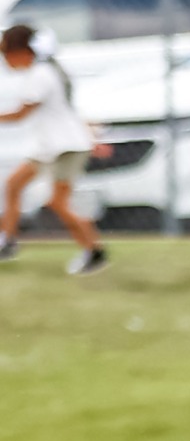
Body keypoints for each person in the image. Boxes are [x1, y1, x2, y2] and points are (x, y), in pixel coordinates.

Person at [0, 24, 107, 274]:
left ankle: (94, 251)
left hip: (66, 147)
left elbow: (20, 114)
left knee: (57, 203)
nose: (4, 60)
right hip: (48, 147)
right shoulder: (40, 72)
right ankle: (7, 241)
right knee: (14, 185)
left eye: (6, 53)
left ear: (23, 52)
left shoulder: (41, 75)